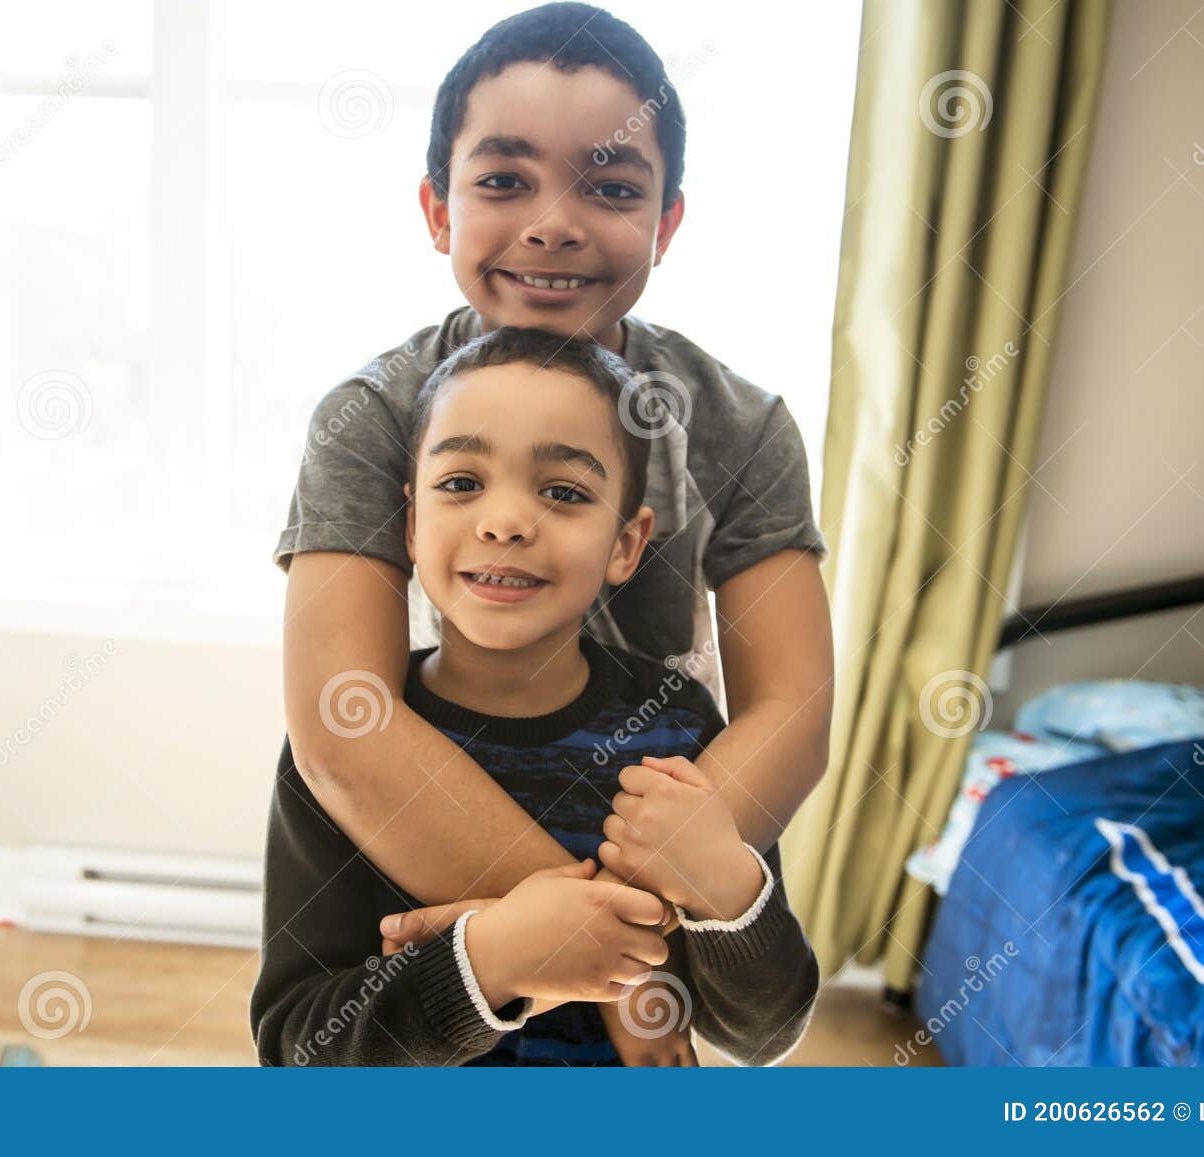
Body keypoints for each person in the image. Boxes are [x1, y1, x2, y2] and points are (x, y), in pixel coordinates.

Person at [274, 3, 834, 1064]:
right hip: (443, 824)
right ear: (438, 208)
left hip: (660, 814)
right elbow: (345, 724)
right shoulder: (371, 412)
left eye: (612, 188)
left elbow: (791, 708)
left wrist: (612, 932)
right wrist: (618, 960)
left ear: (666, 225)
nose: (553, 222)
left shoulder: (738, 423)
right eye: (503, 180)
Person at [252, 329, 819, 1065]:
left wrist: (731, 889)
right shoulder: (340, 760)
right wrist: (488, 958)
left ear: (626, 543)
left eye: (563, 492)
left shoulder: (680, 730)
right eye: (461, 483)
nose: (506, 521)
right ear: (411, 528)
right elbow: (298, 1050)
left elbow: (764, 1032)